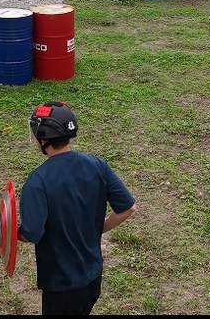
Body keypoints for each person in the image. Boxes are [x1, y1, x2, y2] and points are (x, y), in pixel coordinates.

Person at [18, 102, 136, 316]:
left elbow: (31, 233)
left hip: (61, 285)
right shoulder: (97, 164)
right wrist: (96, 228)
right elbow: (127, 208)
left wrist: (12, 232)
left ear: (42, 138)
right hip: (93, 277)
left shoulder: (38, 181)